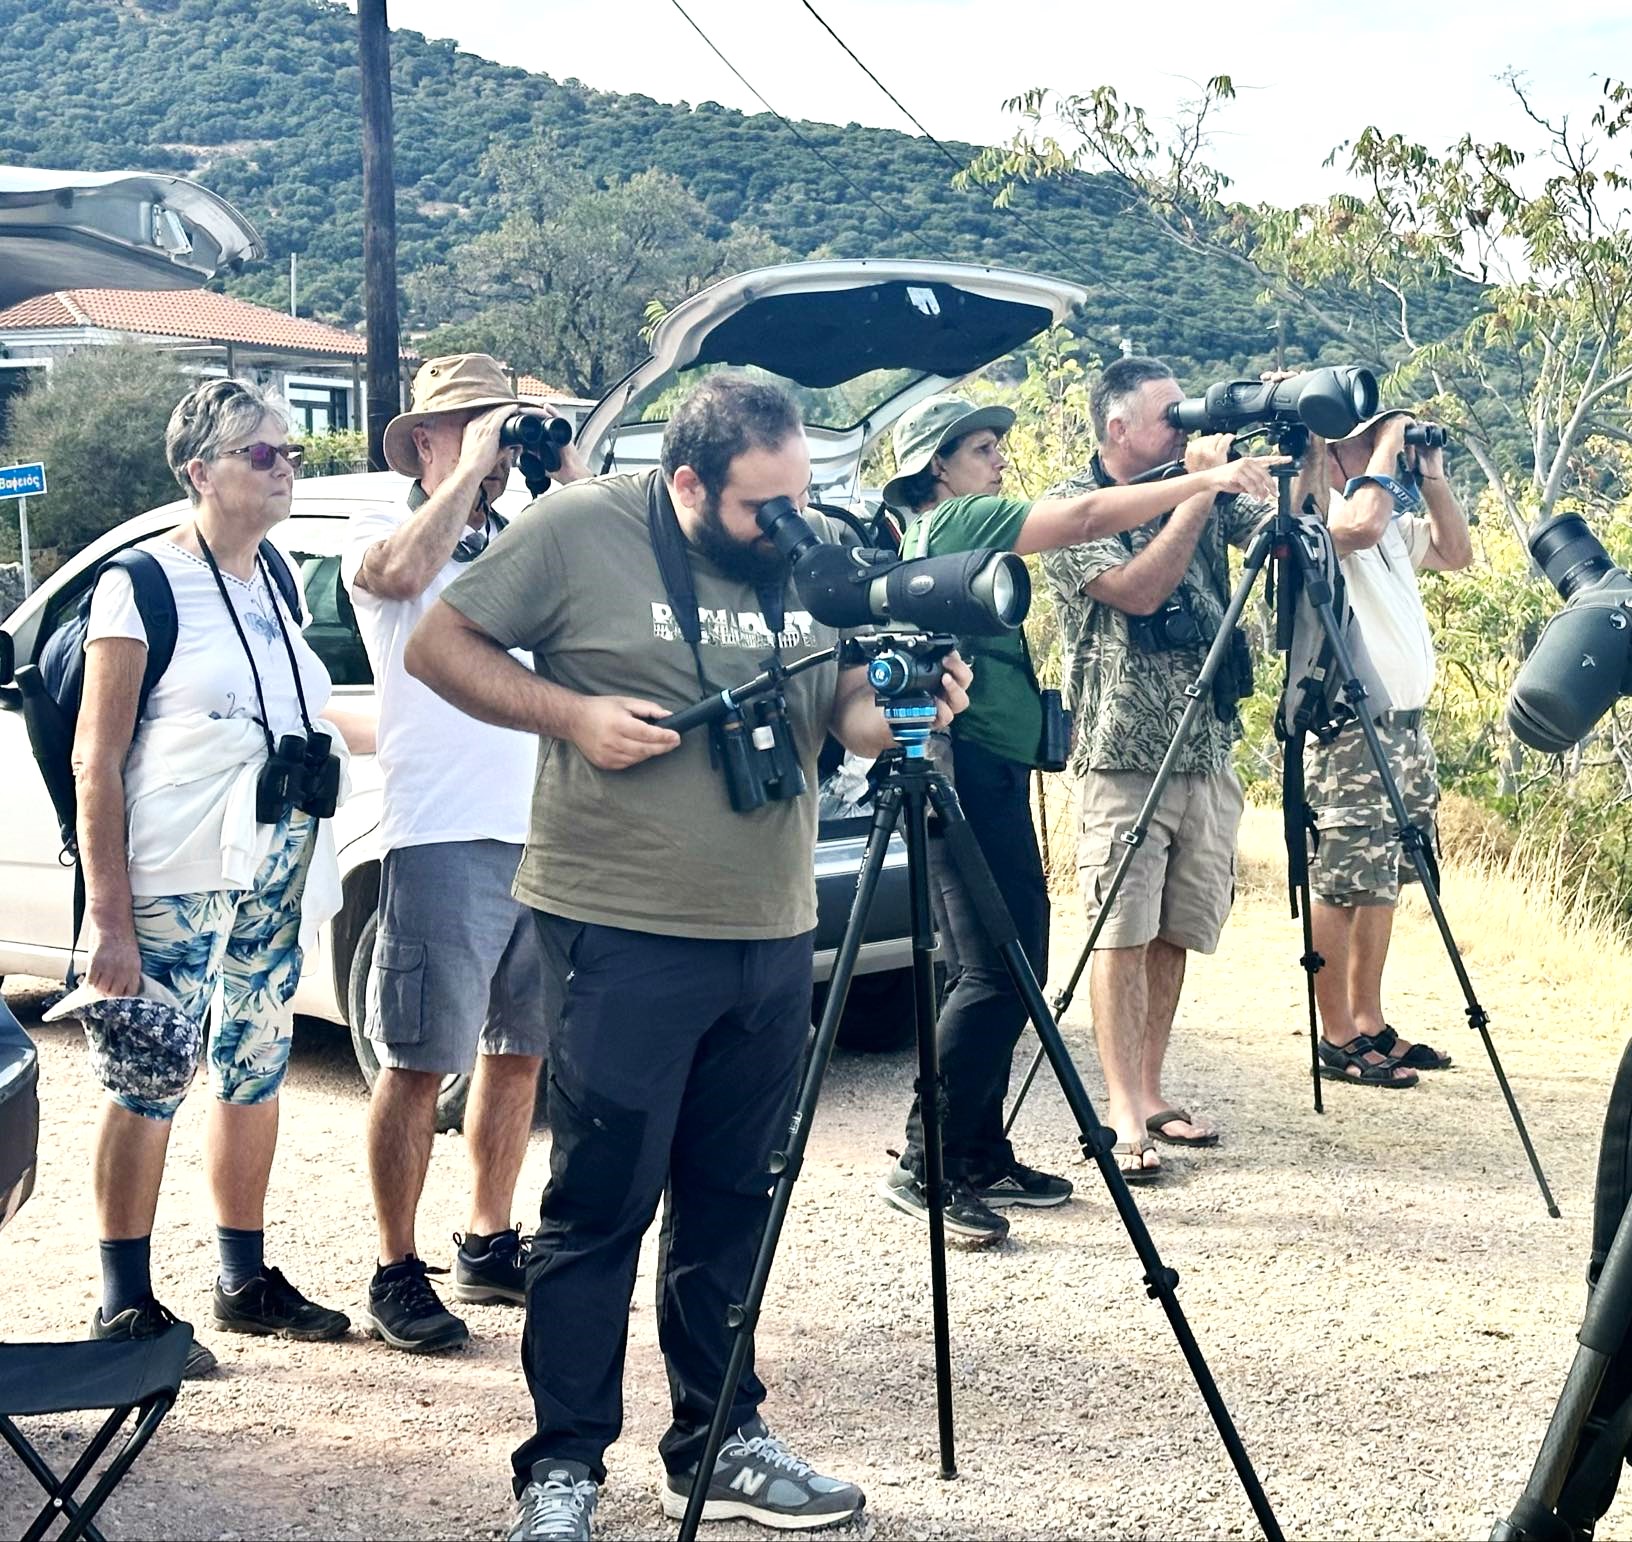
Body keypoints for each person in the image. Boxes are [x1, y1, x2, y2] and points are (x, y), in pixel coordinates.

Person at [405, 373, 969, 1541]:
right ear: (686, 482)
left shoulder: (802, 556)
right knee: (599, 1206)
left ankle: (718, 1442)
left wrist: (911, 709)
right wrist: (568, 716)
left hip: (769, 933)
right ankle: (560, 1466)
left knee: (731, 1201)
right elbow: (435, 646)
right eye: (761, 504)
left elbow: (841, 721)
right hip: (621, 925)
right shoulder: (581, 530)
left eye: (798, 496)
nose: (785, 523)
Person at [873, 394, 1282, 1243]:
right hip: (957, 762)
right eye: (983, 448)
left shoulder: (958, 532)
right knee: (989, 970)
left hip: (990, 765)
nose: (999, 461)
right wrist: (1197, 481)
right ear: (938, 466)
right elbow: (1089, 514)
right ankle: (929, 1160)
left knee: (1012, 962)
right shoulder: (958, 522)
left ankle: (980, 1150)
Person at [71, 378, 364, 1375]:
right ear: (200, 471)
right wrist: (109, 919)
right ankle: (122, 1306)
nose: (286, 467)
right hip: (174, 875)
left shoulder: (274, 577)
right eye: (264, 453)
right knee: (148, 1079)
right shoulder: (141, 584)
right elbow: (95, 759)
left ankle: (243, 1280)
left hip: (273, 863)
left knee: (258, 1061)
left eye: (287, 451)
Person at [342, 354, 591, 1352]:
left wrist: (566, 466)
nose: (492, 446)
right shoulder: (390, 534)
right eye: (472, 426)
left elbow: (621, 556)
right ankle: (393, 1267)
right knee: (416, 1062)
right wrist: (469, 469)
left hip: (542, 828)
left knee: (519, 1052)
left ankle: (487, 1239)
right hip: (441, 832)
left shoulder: (523, 539)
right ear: (428, 441)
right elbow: (399, 577)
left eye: (501, 427)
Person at [1041, 357, 1276, 1183]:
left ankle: (1150, 1088)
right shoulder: (1074, 506)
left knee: (1176, 929)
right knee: (1121, 927)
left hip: (1206, 745)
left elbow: (1295, 522)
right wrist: (1199, 493)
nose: (1185, 426)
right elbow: (1139, 591)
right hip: (1122, 751)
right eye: (1169, 415)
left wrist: (1301, 438)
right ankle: (1118, 1105)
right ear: (1117, 428)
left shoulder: (1195, 482)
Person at [1296, 410, 1472, 1087]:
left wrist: (1430, 479)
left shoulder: (1394, 527)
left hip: (1404, 730)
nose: (1388, 454)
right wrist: (1385, 442)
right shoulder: (1322, 513)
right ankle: (1335, 1033)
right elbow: (1356, 528)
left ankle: (1368, 1020)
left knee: (1385, 878)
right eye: (1371, 444)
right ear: (1341, 451)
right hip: (1351, 726)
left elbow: (1457, 554)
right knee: (1342, 877)